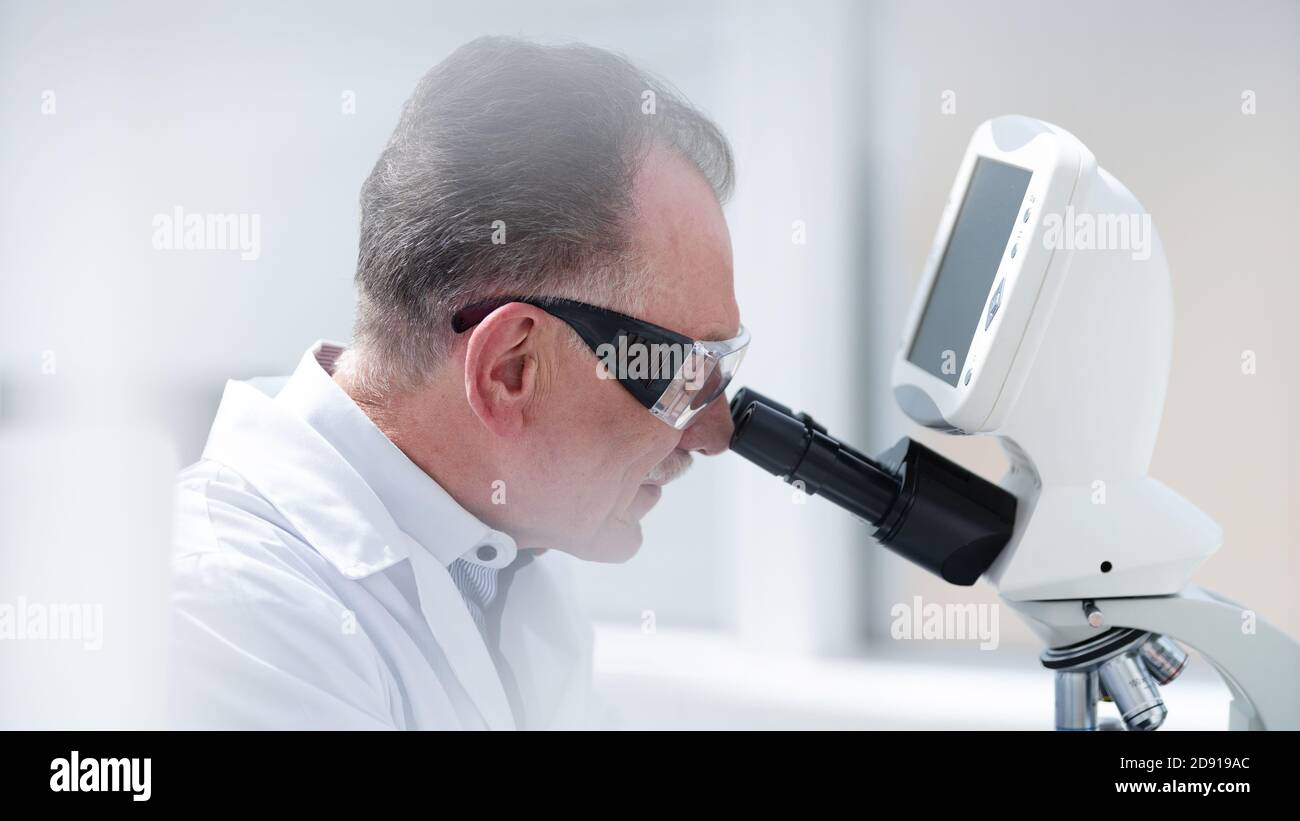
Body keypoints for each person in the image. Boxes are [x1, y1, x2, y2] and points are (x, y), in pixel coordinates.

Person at [169, 36, 747, 729]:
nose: (714, 432)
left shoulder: (503, 557)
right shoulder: (231, 610)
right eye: (683, 374)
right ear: (510, 368)